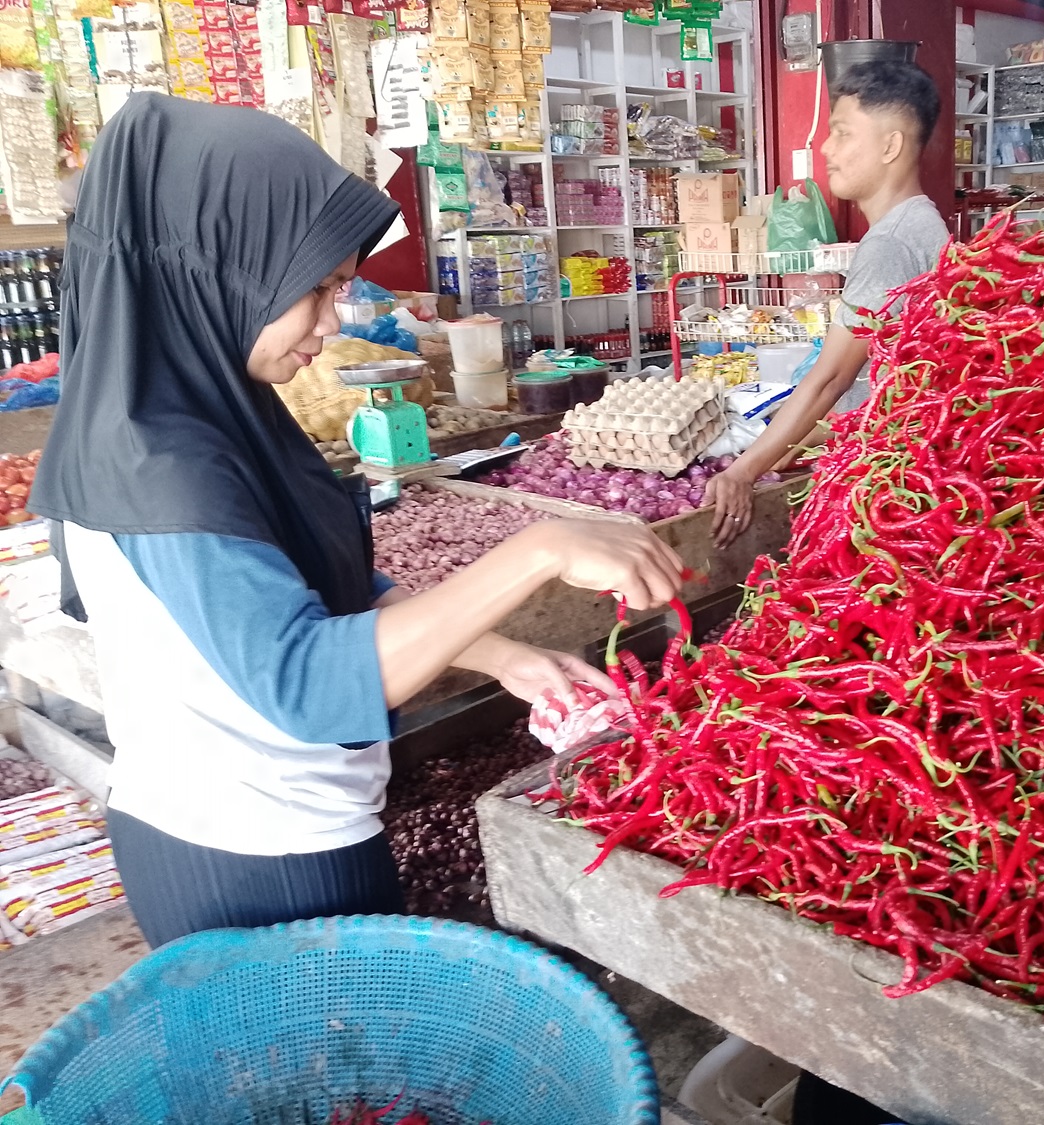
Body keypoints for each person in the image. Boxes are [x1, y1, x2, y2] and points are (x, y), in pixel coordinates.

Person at [29, 93, 685, 949]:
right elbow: (305, 680)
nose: (332, 323)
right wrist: (541, 548)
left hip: (255, 827)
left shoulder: (201, 409)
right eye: (317, 289)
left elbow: (318, 598)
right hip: (253, 857)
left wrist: (505, 656)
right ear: (221, 268)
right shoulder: (162, 460)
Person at [704, 59, 948, 546]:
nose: (826, 147)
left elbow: (831, 378)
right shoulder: (923, 222)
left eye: (842, 133)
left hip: (884, 477)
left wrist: (745, 471)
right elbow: (885, 374)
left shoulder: (890, 244)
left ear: (891, 146)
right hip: (901, 460)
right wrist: (802, 441)